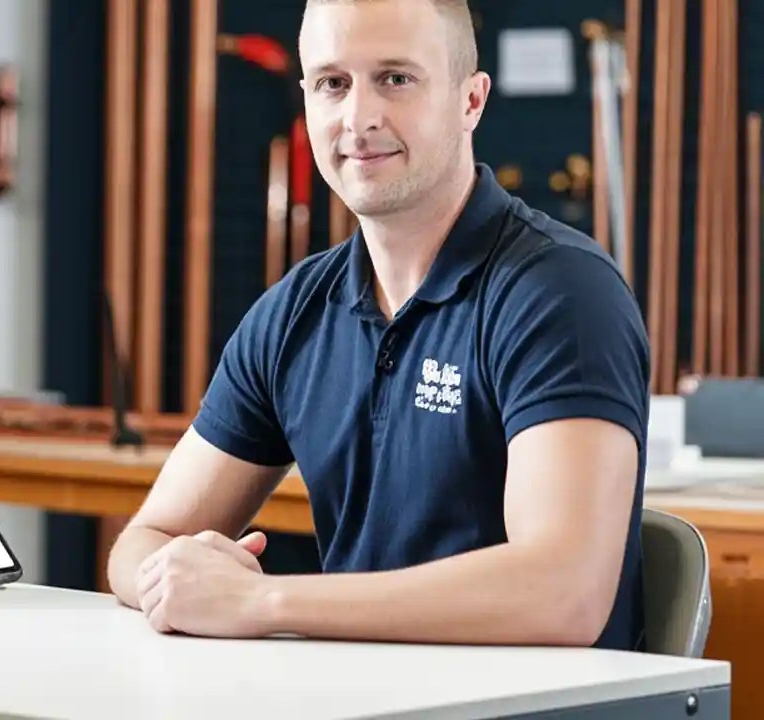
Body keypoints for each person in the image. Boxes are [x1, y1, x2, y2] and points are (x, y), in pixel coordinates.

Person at [107, 0, 649, 652]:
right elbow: (144, 540)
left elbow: (563, 595)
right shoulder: (295, 312)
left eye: (395, 78)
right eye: (333, 83)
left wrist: (262, 599)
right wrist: (180, 582)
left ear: (470, 101)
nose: (359, 118)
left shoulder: (560, 294)